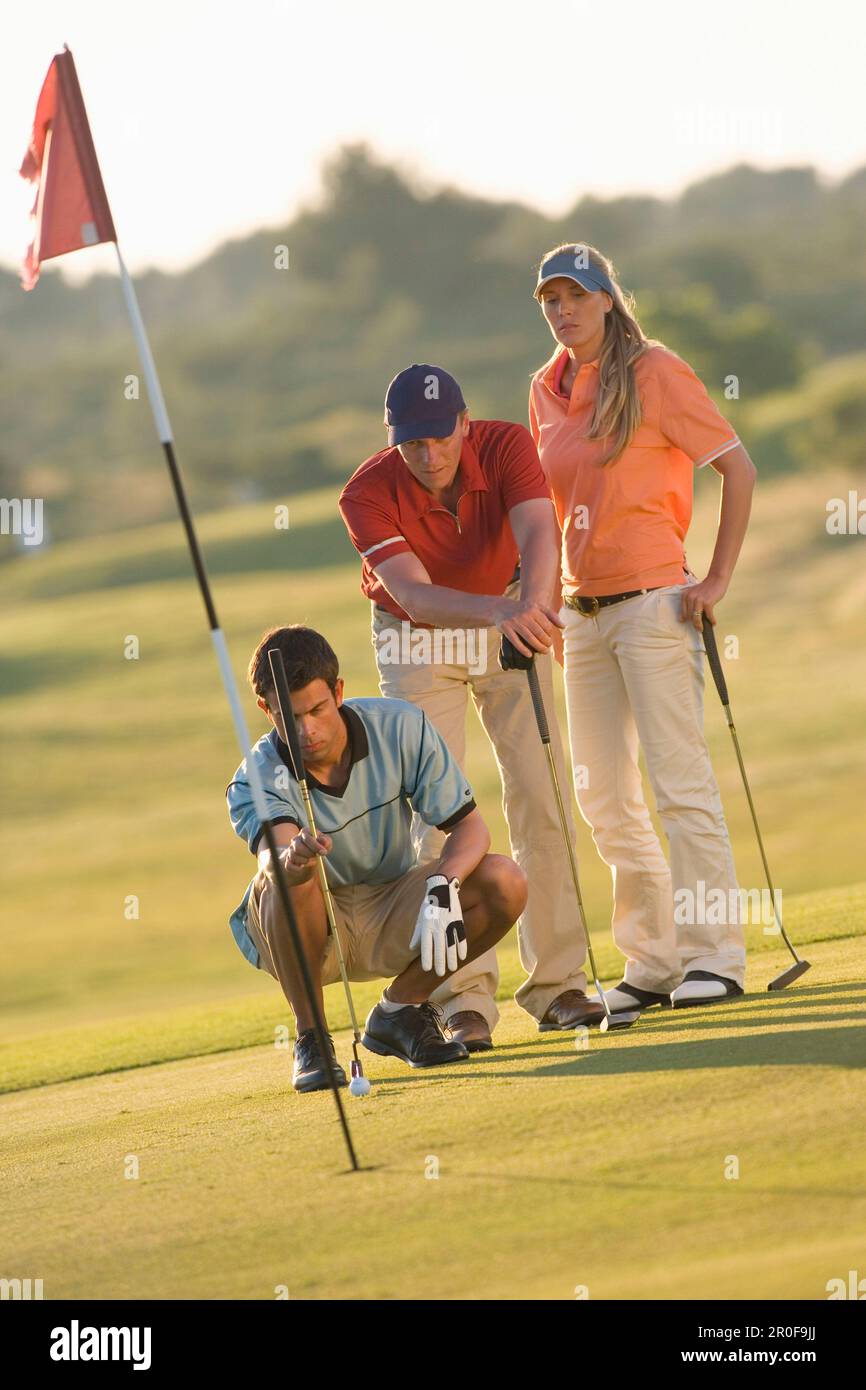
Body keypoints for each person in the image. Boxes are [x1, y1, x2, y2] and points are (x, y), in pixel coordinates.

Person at [338, 363, 607, 1051]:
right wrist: (507, 610)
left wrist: (536, 609)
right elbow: (419, 597)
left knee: (540, 796)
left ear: (464, 423)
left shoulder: (507, 444)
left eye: (441, 437)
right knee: (441, 823)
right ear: (392, 438)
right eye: (412, 444)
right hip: (417, 639)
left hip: (512, 612)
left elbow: (542, 537)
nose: (430, 456)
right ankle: (462, 1000)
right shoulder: (366, 492)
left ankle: (560, 984)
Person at [528, 243, 757, 1013]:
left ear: (605, 299)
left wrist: (716, 578)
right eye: (549, 300)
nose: (562, 311)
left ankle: (716, 954)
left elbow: (737, 467)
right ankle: (652, 961)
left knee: (677, 782)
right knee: (604, 796)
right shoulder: (544, 389)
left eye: (574, 296)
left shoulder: (656, 371)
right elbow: (554, 510)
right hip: (580, 617)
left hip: (656, 604)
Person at [225, 624, 527, 1092]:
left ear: (339, 692)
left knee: (504, 881)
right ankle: (311, 1039)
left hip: (391, 903)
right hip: (310, 924)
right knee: (287, 880)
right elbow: (275, 861)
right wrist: (296, 858)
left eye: (318, 709)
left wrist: (444, 884)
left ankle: (400, 1012)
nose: (307, 730)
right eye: (290, 716)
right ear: (266, 710)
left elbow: (471, 828)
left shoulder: (400, 726)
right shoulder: (255, 777)